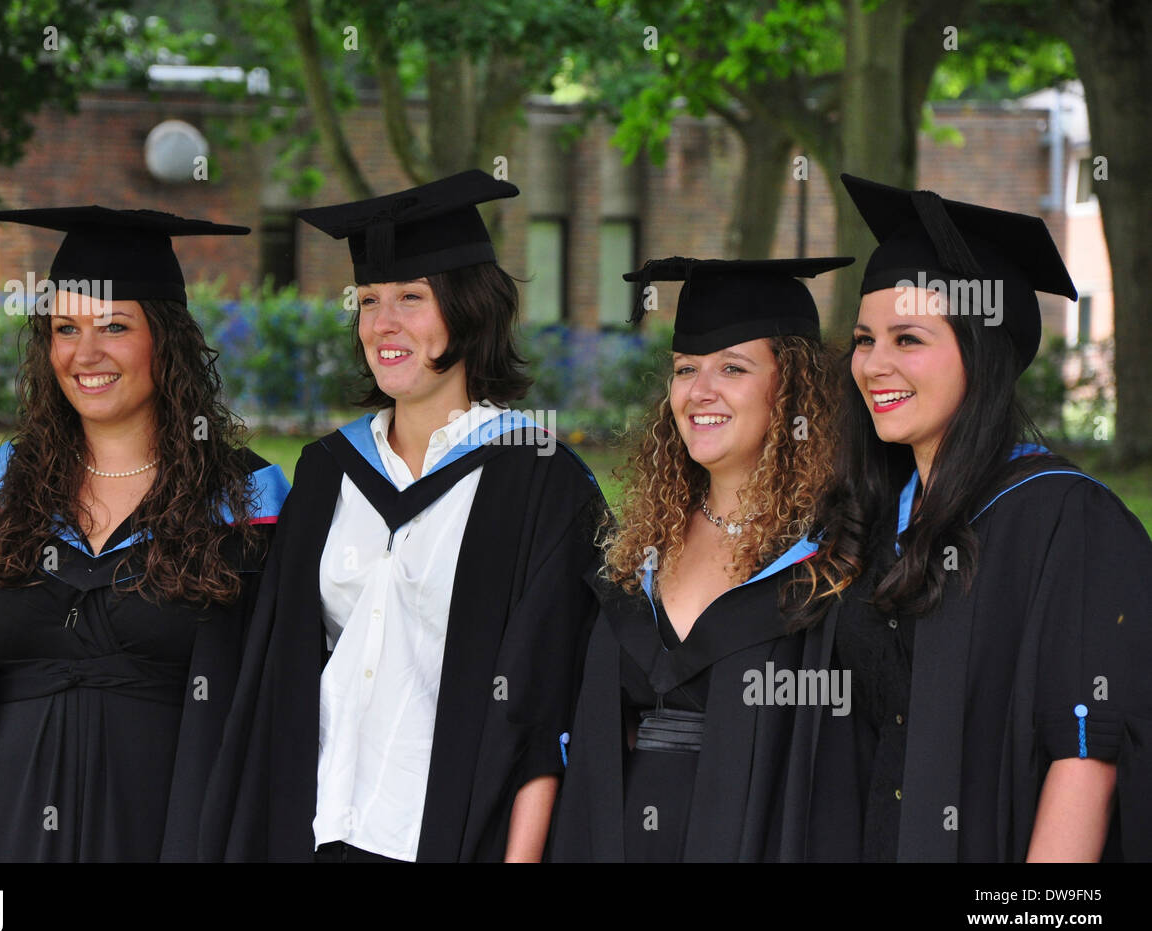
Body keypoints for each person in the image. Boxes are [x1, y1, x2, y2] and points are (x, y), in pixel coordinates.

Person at [0, 207, 288, 861]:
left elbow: (281, 724)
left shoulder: (247, 513)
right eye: (65, 327)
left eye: (114, 325)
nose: (86, 354)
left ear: (164, 341)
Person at [199, 170, 606, 862]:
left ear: (468, 309)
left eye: (412, 299)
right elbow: (280, 673)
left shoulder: (541, 482)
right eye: (368, 301)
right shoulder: (328, 471)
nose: (383, 324)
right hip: (321, 826)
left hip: (452, 836)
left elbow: (545, 704)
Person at [781, 174, 1152, 862]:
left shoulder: (1066, 520)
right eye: (864, 339)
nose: (874, 365)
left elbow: (1086, 755)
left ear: (982, 355)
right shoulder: (865, 524)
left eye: (908, 339)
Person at [549, 256, 850, 862]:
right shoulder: (635, 555)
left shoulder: (830, 560)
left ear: (793, 391)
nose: (700, 391)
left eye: (733, 368)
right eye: (686, 369)